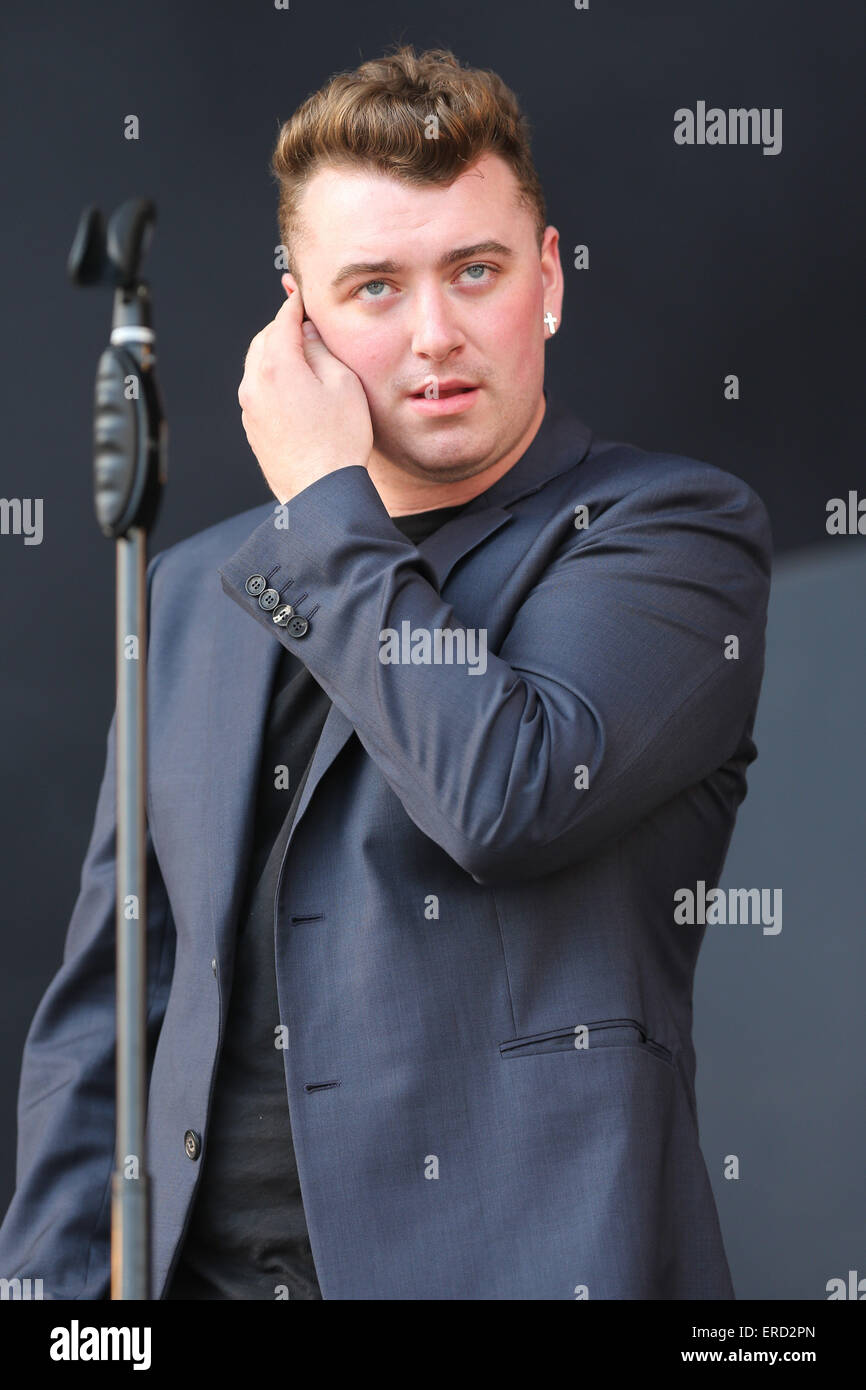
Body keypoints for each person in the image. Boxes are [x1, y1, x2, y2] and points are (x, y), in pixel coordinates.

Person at [0, 44, 772, 1300]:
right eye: (372, 286)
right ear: (295, 317)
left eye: (474, 269)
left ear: (547, 280)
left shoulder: (668, 532)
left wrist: (320, 497)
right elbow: (111, 998)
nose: (434, 335)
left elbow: (504, 796)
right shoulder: (195, 589)